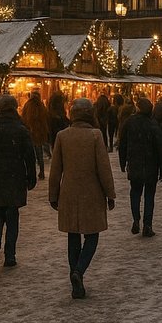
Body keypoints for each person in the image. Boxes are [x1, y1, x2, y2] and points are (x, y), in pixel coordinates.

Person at [48, 97, 116, 299]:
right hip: (91, 193)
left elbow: (55, 169)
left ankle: (75, 276)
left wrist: (53, 194)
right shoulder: (95, 135)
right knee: (92, 235)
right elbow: (103, 168)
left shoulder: (62, 136)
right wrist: (110, 193)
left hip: (69, 192)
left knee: (73, 234)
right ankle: (79, 271)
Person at [0, 93, 37, 269]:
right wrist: (31, 176)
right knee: (12, 216)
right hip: (14, 177)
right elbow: (29, 155)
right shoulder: (20, 128)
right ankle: (10, 255)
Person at [118, 96, 162, 237]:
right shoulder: (153, 124)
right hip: (151, 165)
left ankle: (136, 219)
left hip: (135, 163)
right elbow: (161, 147)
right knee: (149, 196)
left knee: (135, 192)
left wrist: (122, 162)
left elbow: (122, 144)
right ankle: (147, 225)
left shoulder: (130, 122)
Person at [21, 89, 50, 180]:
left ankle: (31, 172)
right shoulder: (41, 106)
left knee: (30, 153)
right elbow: (46, 118)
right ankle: (41, 171)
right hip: (39, 133)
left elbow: (23, 118)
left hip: (30, 132)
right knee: (39, 153)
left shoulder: (27, 105)